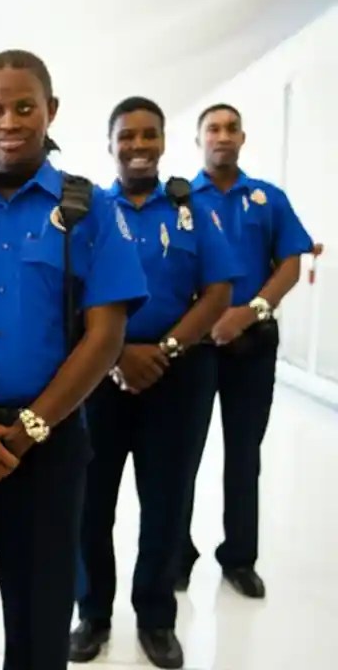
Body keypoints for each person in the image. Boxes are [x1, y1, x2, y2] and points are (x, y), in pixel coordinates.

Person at [0, 50, 150, 670]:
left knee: (39, 626)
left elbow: (104, 337)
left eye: (25, 107)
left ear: (51, 111)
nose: (10, 121)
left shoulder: (87, 209)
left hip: (47, 448)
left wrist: (28, 431)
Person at [69, 97, 239, 669]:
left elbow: (218, 292)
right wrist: (115, 354)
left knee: (167, 501)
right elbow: (72, 294)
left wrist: (164, 350)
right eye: (127, 136)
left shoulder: (191, 210)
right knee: (91, 501)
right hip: (97, 374)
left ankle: (156, 618)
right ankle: (92, 613)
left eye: (149, 136)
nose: (138, 147)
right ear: (110, 143)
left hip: (178, 374)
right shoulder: (89, 211)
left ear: (165, 142)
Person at [176, 103, 314, 599]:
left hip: (252, 344)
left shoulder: (268, 199)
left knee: (243, 454)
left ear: (242, 137)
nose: (223, 135)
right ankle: (175, 555)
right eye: (213, 128)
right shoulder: (181, 201)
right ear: (199, 140)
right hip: (196, 346)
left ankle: (239, 557)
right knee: (181, 456)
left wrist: (249, 311)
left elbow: (291, 263)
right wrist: (204, 321)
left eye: (231, 128)